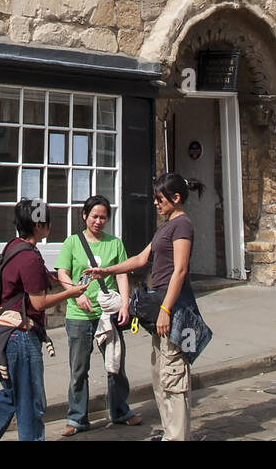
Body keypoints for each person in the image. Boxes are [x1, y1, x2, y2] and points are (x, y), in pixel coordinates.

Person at [86, 172, 204, 441]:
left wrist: (165, 310)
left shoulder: (182, 225)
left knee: (173, 377)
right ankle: (169, 434)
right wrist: (107, 271)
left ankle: (177, 438)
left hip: (172, 310)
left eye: (159, 198)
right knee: (160, 375)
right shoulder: (167, 226)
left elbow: (181, 269)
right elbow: (141, 258)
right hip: (159, 308)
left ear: (176, 198)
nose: (154, 203)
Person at [0, 199, 88, 441]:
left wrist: (62, 281)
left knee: (12, 395)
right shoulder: (29, 258)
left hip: (4, 334)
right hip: (20, 336)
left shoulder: (14, 247)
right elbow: (38, 303)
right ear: (39, 225)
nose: (49, 224)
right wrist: (71, 293)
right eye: (46, 220)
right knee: (30, 402)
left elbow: (25, 282)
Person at [56, 195, 140, 435]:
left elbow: (122, 274)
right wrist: (75, 294)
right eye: (94, 216)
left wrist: (125, 304)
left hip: (108, 314)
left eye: (103, 217)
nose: (99, 221)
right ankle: (76, 418)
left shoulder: (115, 243)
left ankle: (120, 411)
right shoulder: (72, 242)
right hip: (79, 314)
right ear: (85, 216)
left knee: (115, 364)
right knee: (79, 368)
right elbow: (63, 272)